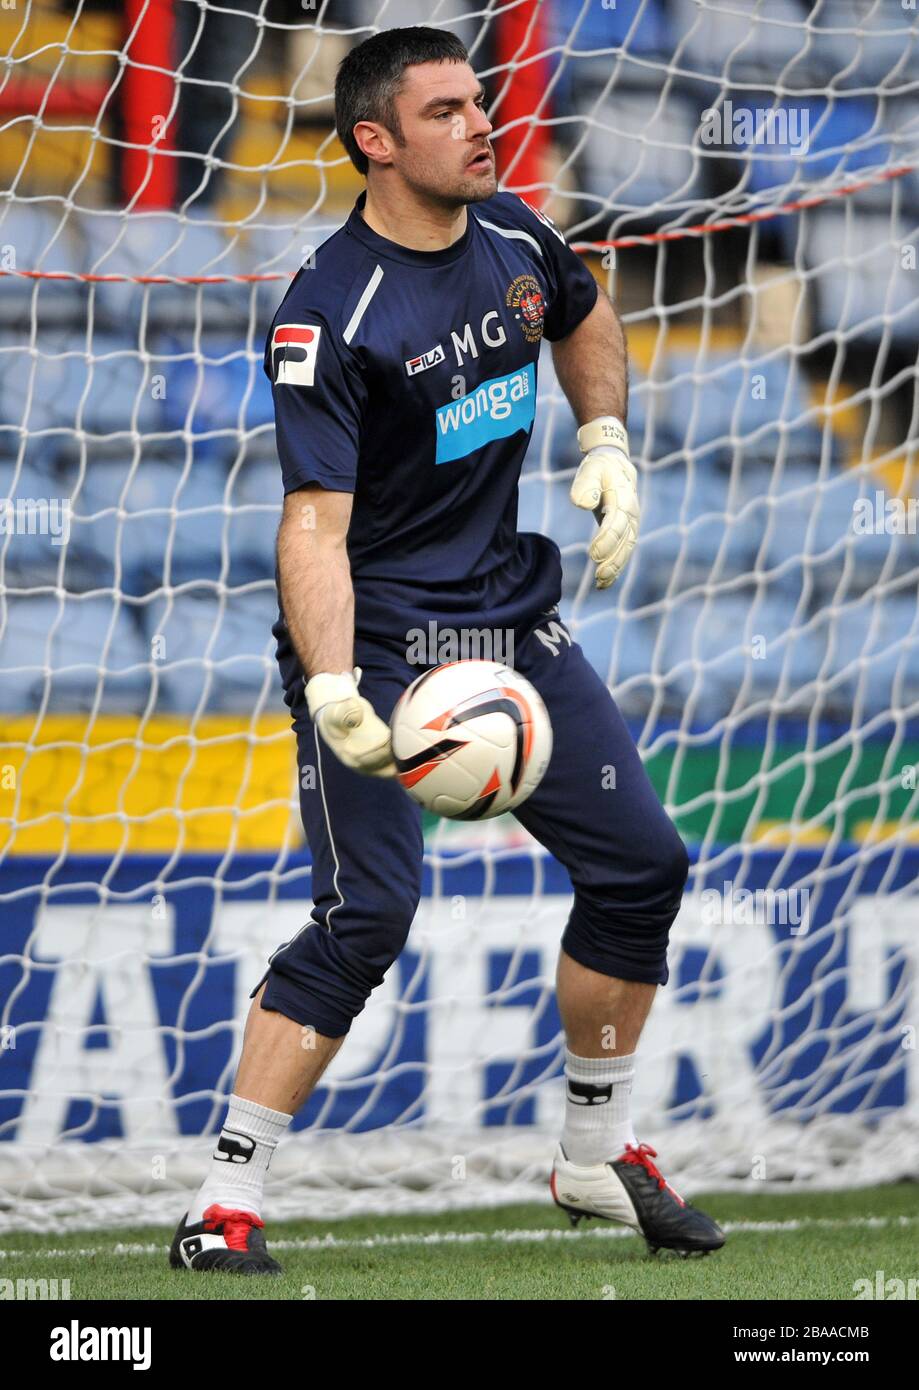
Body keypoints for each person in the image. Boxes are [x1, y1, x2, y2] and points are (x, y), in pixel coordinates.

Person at [169, 26, 724, 1276]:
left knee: (644, 866)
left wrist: (606, 441)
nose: (483, 123)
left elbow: (584, 314)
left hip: (512, 625)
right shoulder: (329, 312)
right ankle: (222, 1204)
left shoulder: (518, 237)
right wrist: (328, 686)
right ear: (376, 140)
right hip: (370, 642)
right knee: (367, 914)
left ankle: (596, 1154)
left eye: (480, 101)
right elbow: (310, 525)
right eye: (445, 111)